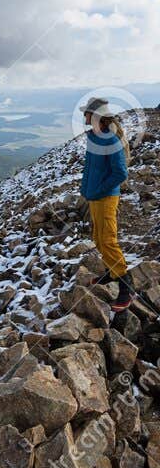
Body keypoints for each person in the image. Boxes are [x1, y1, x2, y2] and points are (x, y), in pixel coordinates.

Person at [80, 97, 134, 311]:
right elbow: (90, 168)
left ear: (96, 117)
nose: (84, 116)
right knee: (98, 238)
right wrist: (86, 189)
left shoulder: (110, 141)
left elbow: (121, 173)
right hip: (94, 196)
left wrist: (98, 189)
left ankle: (126, 287)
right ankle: (110, 272)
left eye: (87, 113)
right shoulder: (95, 138)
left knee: (108, 240)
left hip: (105, 197)